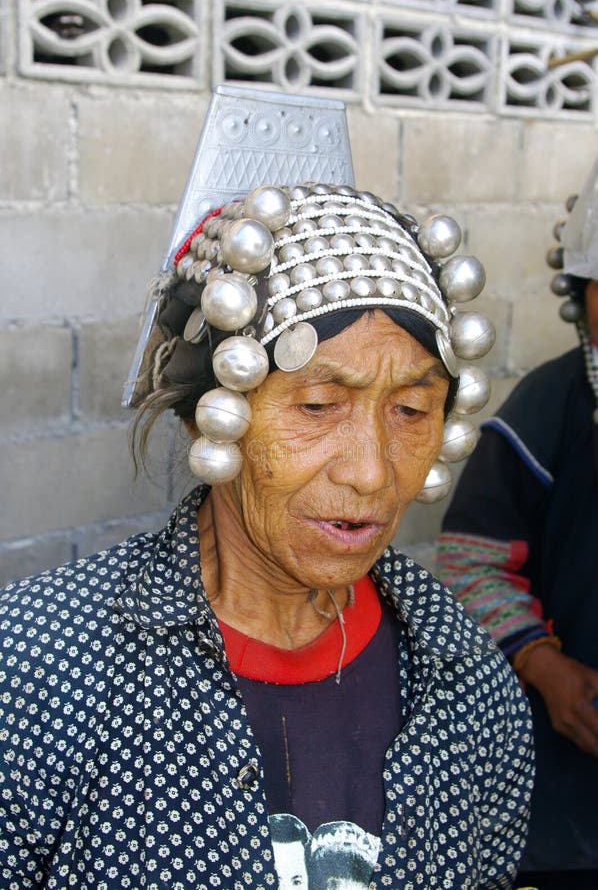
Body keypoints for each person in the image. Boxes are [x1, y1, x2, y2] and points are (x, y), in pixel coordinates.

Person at [0, 87, 533, 889]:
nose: (372, 471)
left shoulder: (466, 682)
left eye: (413, 409)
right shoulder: (38, 674)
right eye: (318, 405)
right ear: (207, 417)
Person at [436, 159, 598, 889]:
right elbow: (471, 561)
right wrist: (544, 666)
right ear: (579, 292)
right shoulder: (550, 406)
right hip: (568, 799)